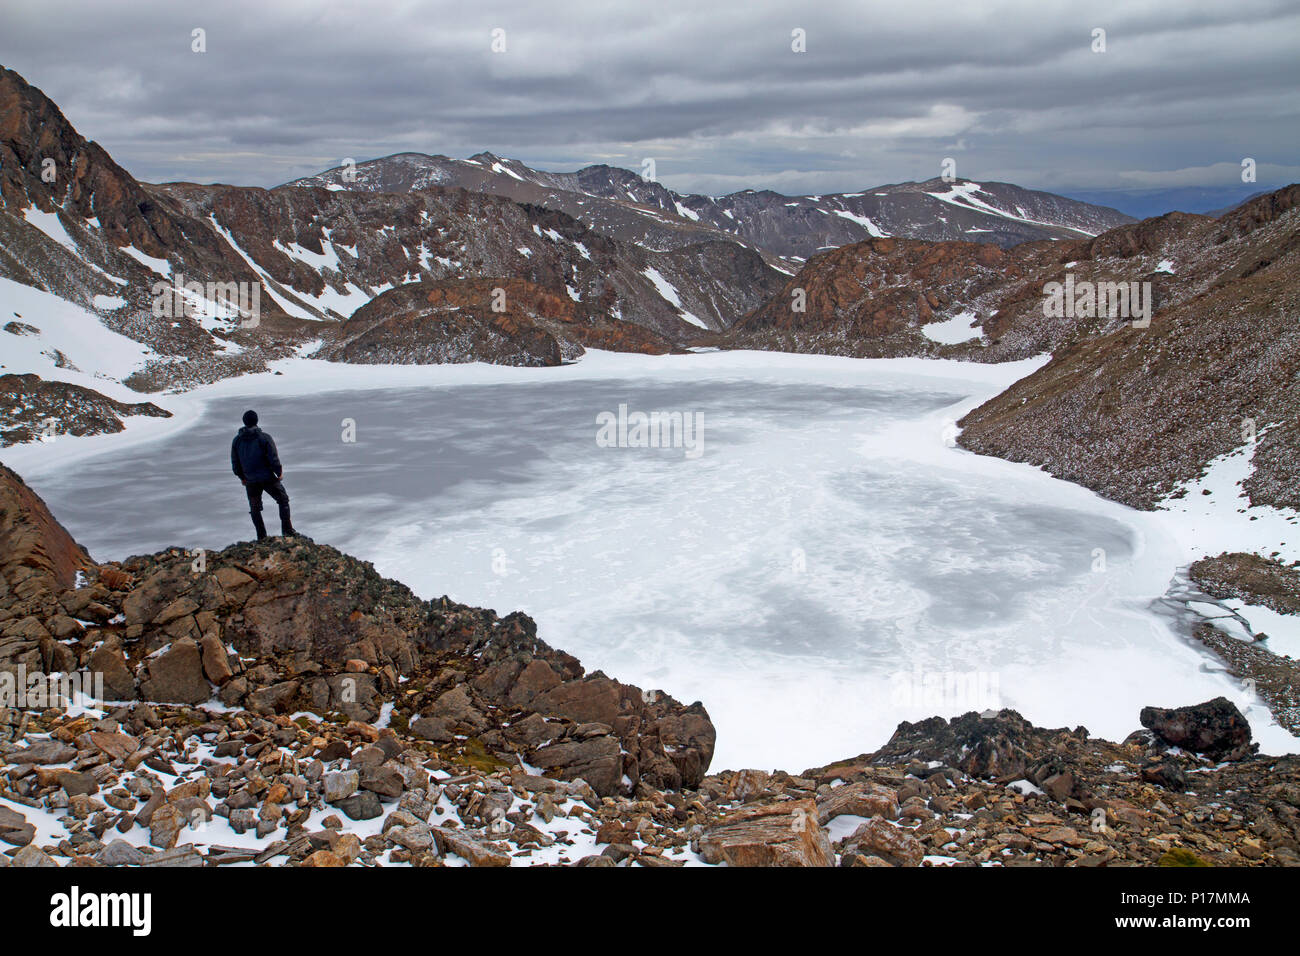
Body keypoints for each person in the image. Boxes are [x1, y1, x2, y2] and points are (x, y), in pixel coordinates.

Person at [231, 409, 298, 539]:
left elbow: (235, 462)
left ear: (244, 422)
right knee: (283, 499)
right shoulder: (264, 438)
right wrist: (279, 473)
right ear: (256, 421)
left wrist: (242, 477)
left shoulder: (237, 441)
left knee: (255, 508)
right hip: (267, 477)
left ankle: (261, 537)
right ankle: (288, 531)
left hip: (250, 480)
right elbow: (273, 458)